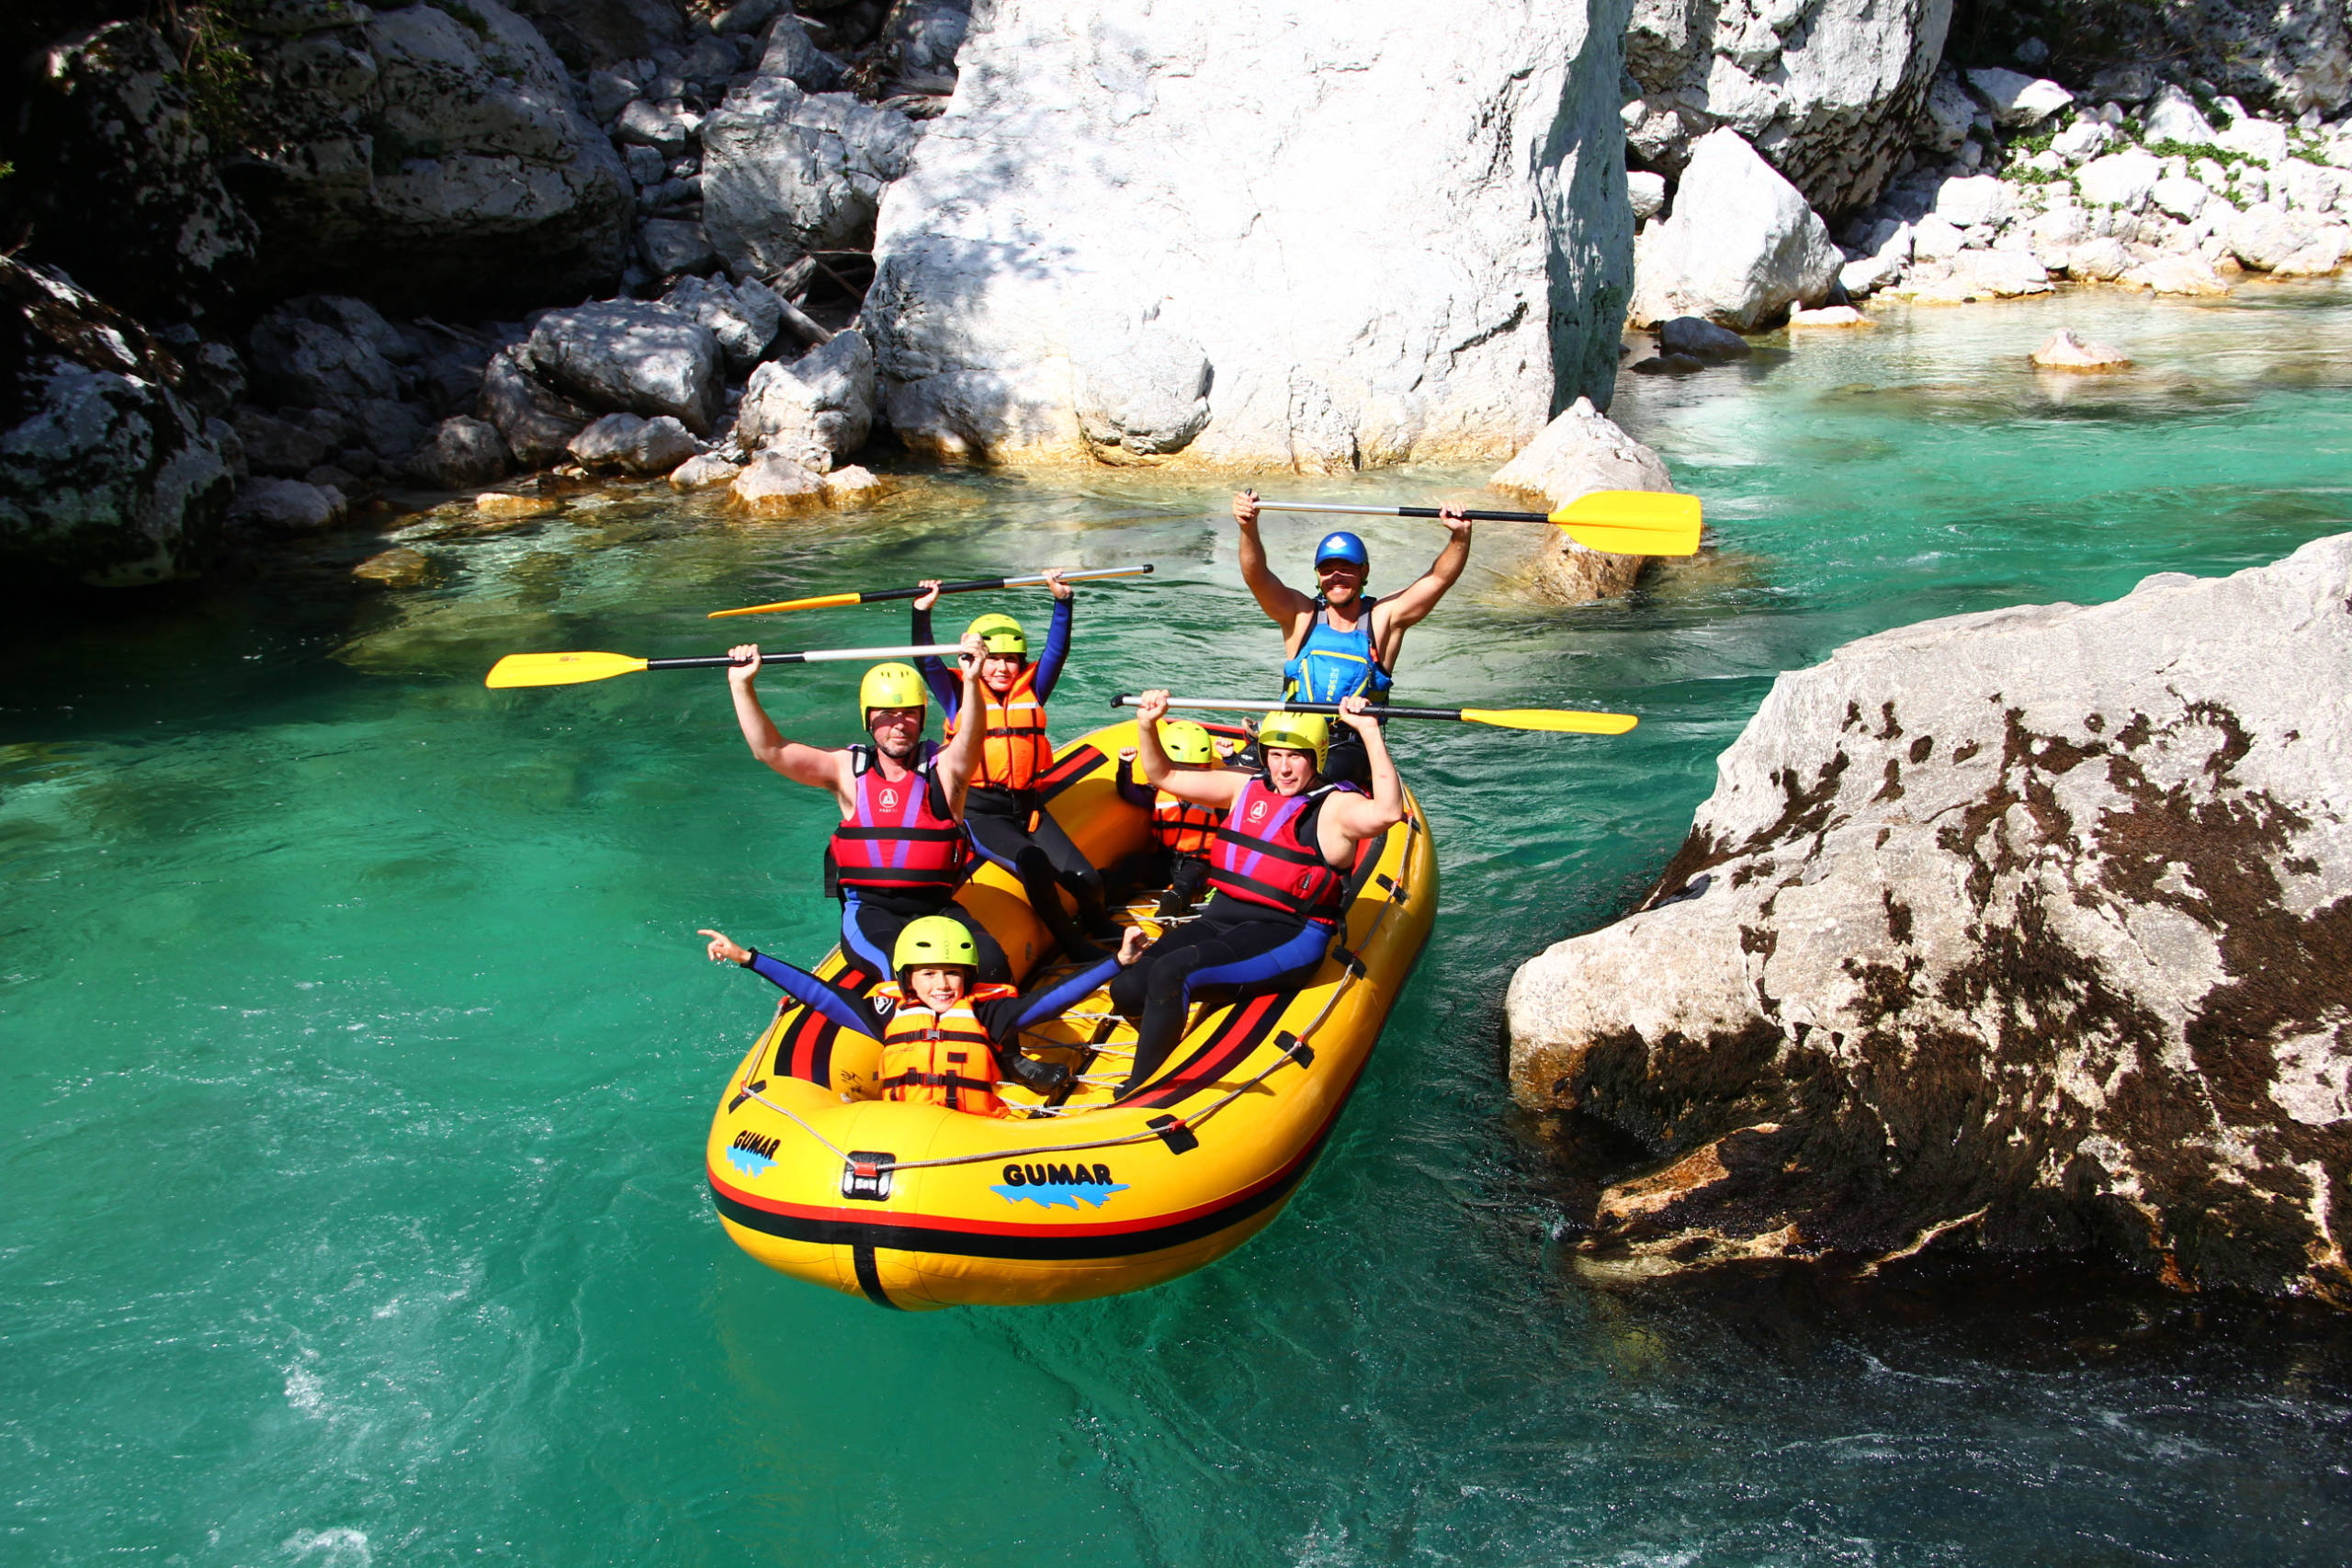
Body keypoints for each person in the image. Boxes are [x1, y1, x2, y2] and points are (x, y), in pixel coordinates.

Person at [1111, 690, 1404, 1094]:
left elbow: (1388, 813)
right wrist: (1147, 723)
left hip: (1289, 934)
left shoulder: (1336, 808)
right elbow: (1166, 776)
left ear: (1317, 756)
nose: (1283, 769)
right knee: (1126, 989)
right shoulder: (1245, 787)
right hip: (1222, 919)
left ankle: (1142, 1089)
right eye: (1275, 754)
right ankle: (1176, 1029)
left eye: (1296, 756)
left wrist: (1369, 730)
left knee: (1168, 971)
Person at [725, 630, 1014, 986]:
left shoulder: (946, 767)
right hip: (871, 914)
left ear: (922, 717)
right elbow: (771, 750)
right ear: (868, 719)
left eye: (909, 713)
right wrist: (742, 686)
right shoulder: (846, 769)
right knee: (904, 974)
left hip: (936, 909)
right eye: (887, 714)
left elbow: (971, 737)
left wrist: (972, 680)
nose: (898, 725)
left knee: (994, 965)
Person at [699, 916, 1150, 1112]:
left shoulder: (988, 1015)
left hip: (966, 1137)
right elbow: (818, 994)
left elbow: (1052, 1000)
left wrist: (1118, 964)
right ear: (907, 979)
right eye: (929, 974)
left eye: (952, 974)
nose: (941, 985)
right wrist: (748, 957)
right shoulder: (885, 1015)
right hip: (905, 1130)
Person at [910, 571, 1114, 957]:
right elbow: (927, 661)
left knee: (1088, 880)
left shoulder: (1033, 688)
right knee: (1032, 863)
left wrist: (1062, 602)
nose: (1003, 668)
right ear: (976, 659)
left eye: (1011, 660)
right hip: (981, 812)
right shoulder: (958, 692)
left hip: (1029, 808)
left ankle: (1099, 923)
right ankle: (1073, 946)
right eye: (993, 659)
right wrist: (922, 614)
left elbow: (1057, 650)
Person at [1231, 490, 1475, 786]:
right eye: (1327, 570)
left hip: (1346, 746)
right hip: (1289, 737)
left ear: (1364, 572)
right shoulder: (1300, 614)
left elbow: (1438, 579)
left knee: (1314, 779)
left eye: (1346, 570)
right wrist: (1248, 528)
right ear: (1318, 576)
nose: (1336, 577)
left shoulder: (1384, 618)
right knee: (1234, 776)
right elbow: (1256, 576)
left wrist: (1459, 537)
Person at [1112, 718, 1226, 917]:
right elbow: (1128, 792)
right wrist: (1125, 766)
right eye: (1179, 767)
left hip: (1199, 865)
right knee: (1132, 864)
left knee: (1185, 882)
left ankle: (1171, 907)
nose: (1186, 774)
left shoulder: (1218, 797)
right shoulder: (1157, 792)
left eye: (1194, 768)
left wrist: (1231, 759)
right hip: (1165, 861)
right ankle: (1107, 895)